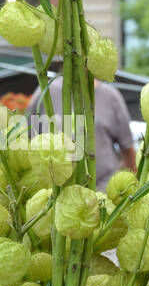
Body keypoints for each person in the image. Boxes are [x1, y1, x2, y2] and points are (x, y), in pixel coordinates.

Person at [26, 61, 135, 191]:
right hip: (56, 189)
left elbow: (127, 147)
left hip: (103, 188)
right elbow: (27, 137)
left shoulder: (111, 97)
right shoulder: (46, 91)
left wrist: (133, 184)